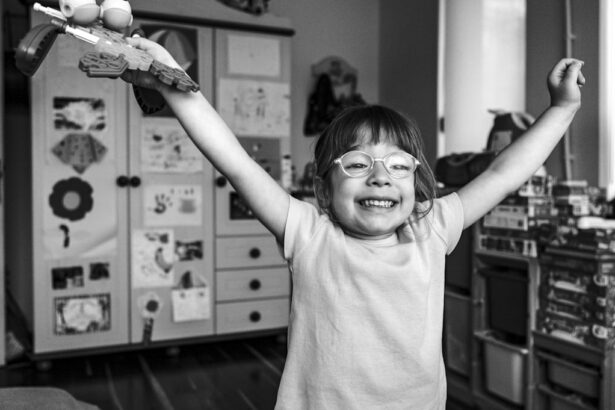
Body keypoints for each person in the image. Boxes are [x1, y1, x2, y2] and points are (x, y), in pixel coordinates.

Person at [125, 36, 584, 409]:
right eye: (358, 164)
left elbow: (503, 175)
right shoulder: (308, 233)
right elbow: (237, 163)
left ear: (417, 185)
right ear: (324, 191)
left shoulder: (432, 228)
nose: (381, 176)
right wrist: (174, 85)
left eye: (399, 166)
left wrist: (562, 108)